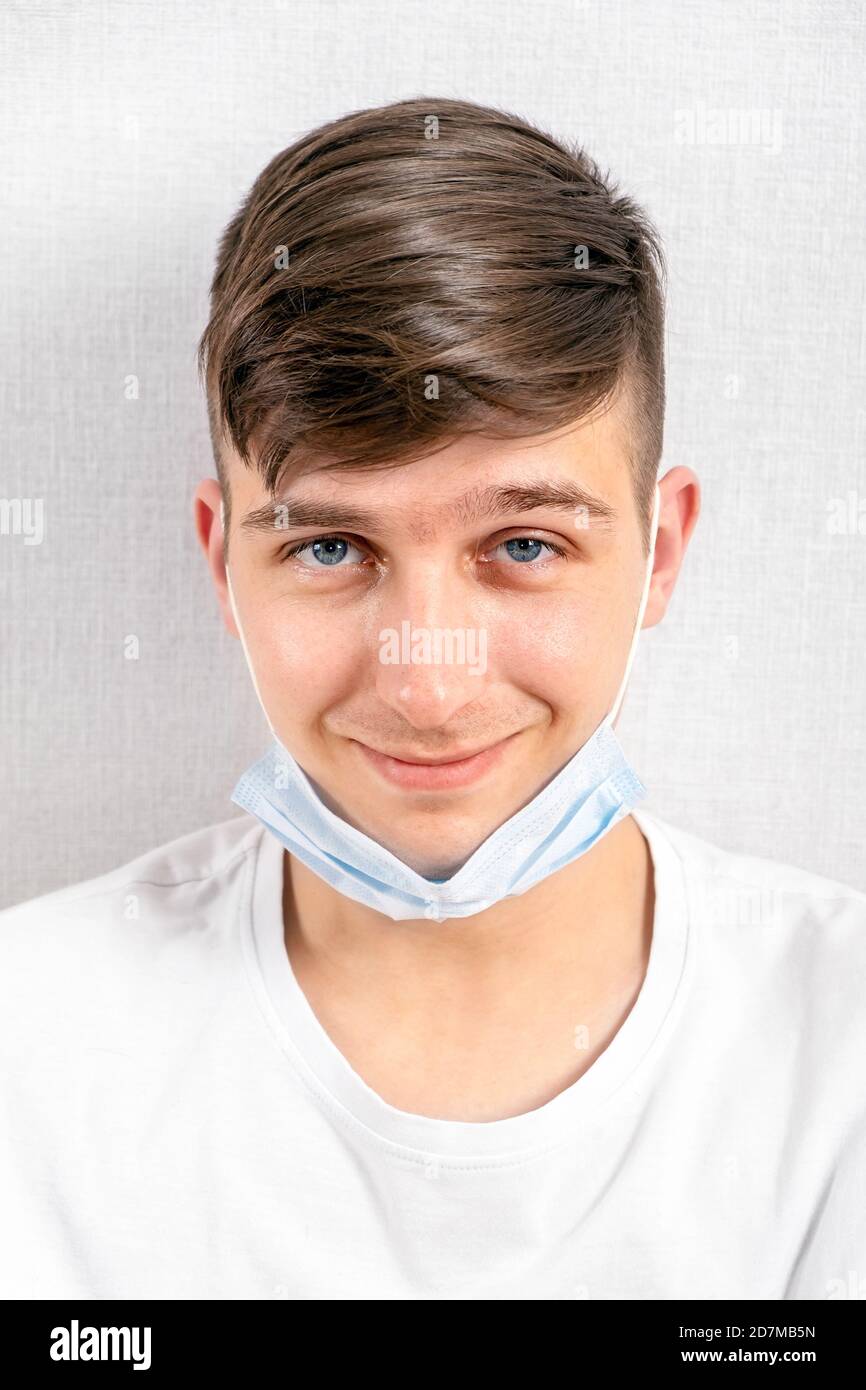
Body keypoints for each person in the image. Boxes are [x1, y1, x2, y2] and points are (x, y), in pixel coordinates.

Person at [1, 96, 864, 1302]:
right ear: (222, 566)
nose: (427, 684)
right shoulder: (28, 1052)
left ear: (659, 553)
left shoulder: (839, 1056)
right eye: (329, 550)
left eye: (521, 546)